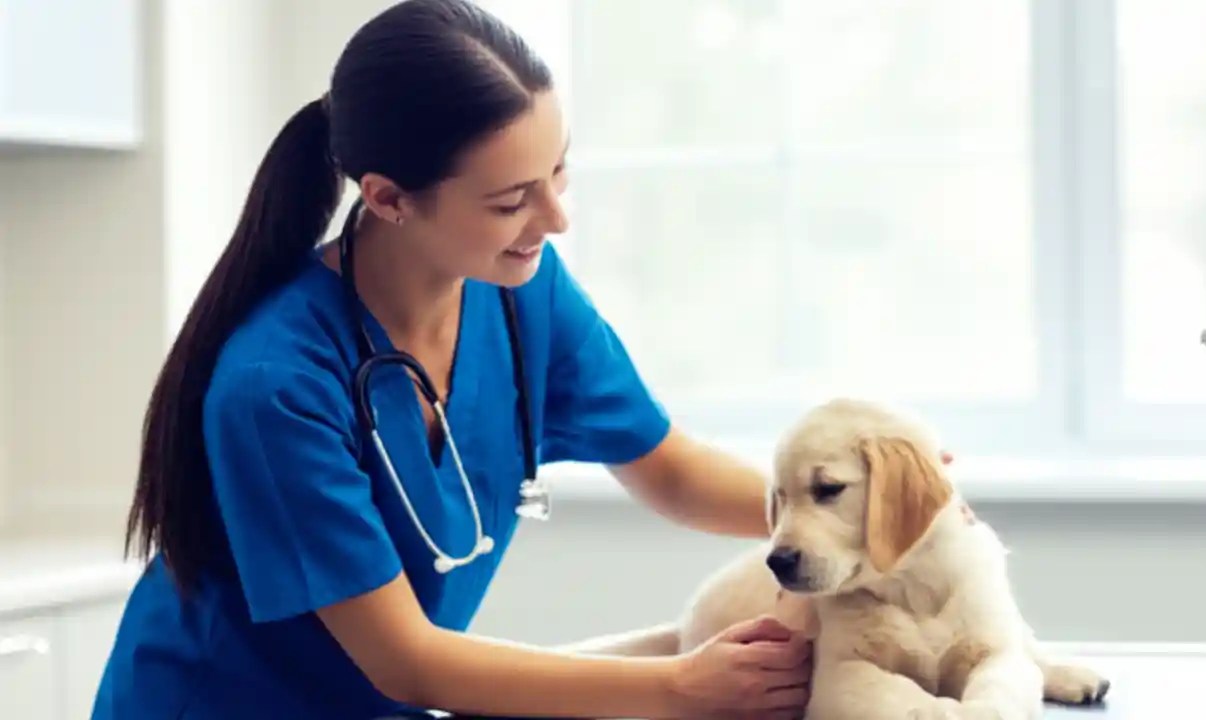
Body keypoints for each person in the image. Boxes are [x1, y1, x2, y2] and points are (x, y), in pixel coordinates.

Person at [89, 2, 814, 718]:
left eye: (558, 172)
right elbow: (407, 662)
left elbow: (671, 470)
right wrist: (682, 687)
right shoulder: (276, 386)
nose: (556, 218)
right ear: (389, 198)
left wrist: (846, 519)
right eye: (510, 201)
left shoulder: (522, 294)